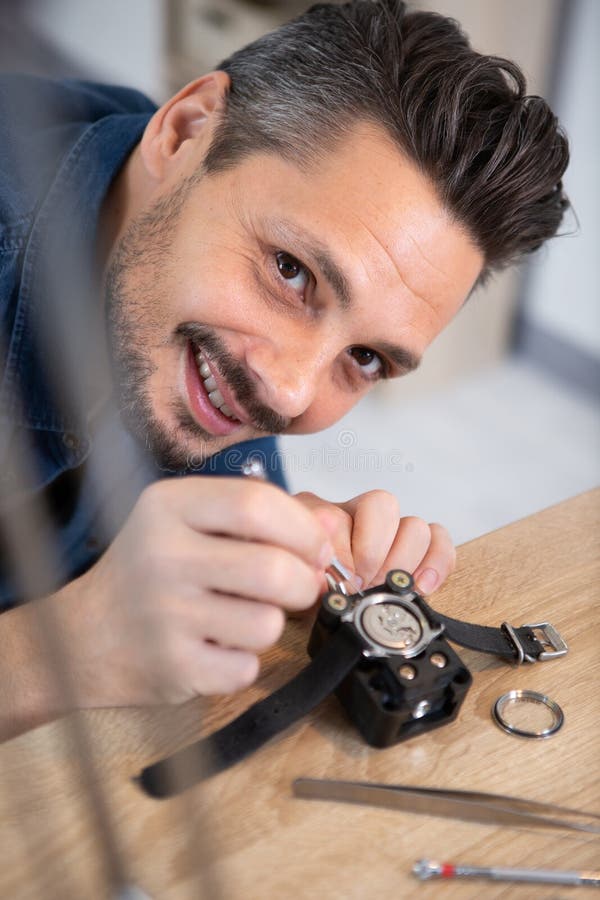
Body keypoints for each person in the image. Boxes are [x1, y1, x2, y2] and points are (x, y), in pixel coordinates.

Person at [0, 0, 569, 740]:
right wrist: (58, 653)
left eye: (364, 357)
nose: (291, 391)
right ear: (185, 131)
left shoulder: (193, 309)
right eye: (292, 272)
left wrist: (270, 557)